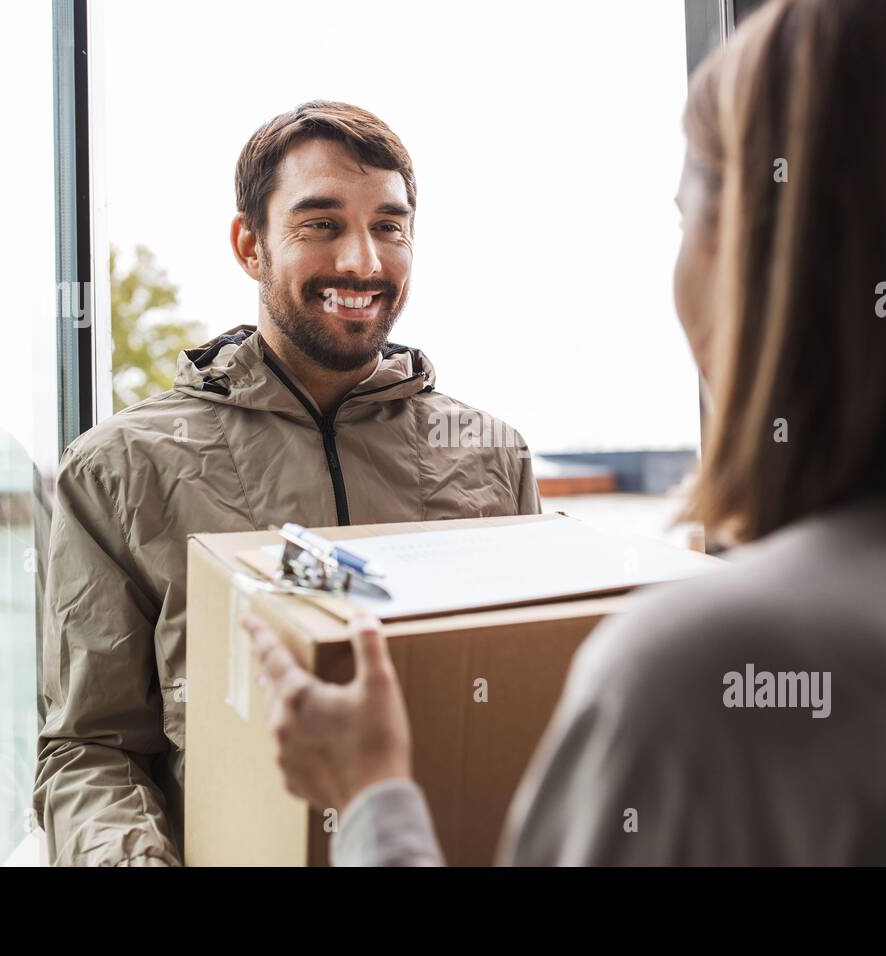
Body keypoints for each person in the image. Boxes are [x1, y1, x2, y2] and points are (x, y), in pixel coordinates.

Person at [249, 0, 886, 865]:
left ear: (770, 262)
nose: (362, 260)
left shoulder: (699, 675)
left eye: (685, 215)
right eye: (321, 224)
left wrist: (369, 795)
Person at [35, 101, 540, 866]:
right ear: (250, 245)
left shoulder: (492, 455)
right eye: (322, 223)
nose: (364, 263)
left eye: (390, 227)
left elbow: (529, 710)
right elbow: (88, 749)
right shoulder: (119, 469)